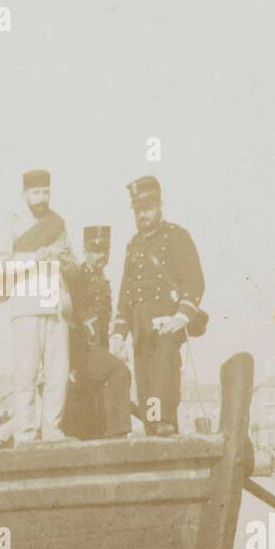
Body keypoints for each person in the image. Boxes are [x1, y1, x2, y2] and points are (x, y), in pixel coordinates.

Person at [111, 176, 206, 436]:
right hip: (141, 329)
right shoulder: (133, 246)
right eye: (138, 209)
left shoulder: (177, 237)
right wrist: (119, 333)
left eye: (148, 208)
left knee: (163, 374)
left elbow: (195, 281)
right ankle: (154, 427)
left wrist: (181, 317)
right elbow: (126, 293)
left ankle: (165, 424)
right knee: (145, 381)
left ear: (159, 205)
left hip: (168, 323)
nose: (143, 214)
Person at [0, 169, 74, 444]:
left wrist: (64, 260)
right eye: (35, 192)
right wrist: (33, 258)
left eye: (45, 192)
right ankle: (26, 436)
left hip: (55, 308)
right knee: (26, 377)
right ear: (24, 195)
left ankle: (53, 432)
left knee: (57, 376)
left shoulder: (59, 225)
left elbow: (72, 263)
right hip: (26, 308)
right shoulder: (13, 224)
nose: (41, 198)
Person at [63, 225, 133, 439]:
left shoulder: (102, 280)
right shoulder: (78, 276)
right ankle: (117, 433)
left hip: (95, 348)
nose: (101, 255)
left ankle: (100, 434)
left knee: (90, 400)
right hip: (79, 348)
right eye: (95, 250)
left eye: (105, 250)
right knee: (119, 371)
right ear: (85, 250)